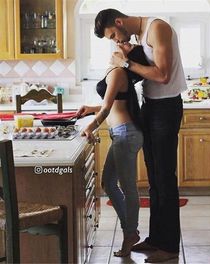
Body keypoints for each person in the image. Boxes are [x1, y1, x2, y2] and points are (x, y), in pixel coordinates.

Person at [94, 9, 187, 263]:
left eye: (113, 34)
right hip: (151, 107)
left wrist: (125, 62)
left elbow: (163, 75)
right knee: (155, 179)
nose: (115, 40)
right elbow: (141, 74)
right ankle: (157, 239)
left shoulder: (157, 28)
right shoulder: (139, 37)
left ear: (120, 22)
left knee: (165, 179)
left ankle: (168, 247)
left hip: (166, 108)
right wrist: (129, 53)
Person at [77, 43, 149, 257]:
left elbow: (108, 108)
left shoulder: (118, 71)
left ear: (128, 55)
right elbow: (114, 104)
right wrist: (92, 109)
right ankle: (131, 230)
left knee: (128, 188)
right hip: (122, 133)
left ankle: (129, 235)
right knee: (108, 183)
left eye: (127, 44)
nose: (120, 43)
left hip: (126, 134)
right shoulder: (116, 71)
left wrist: (90, 126)